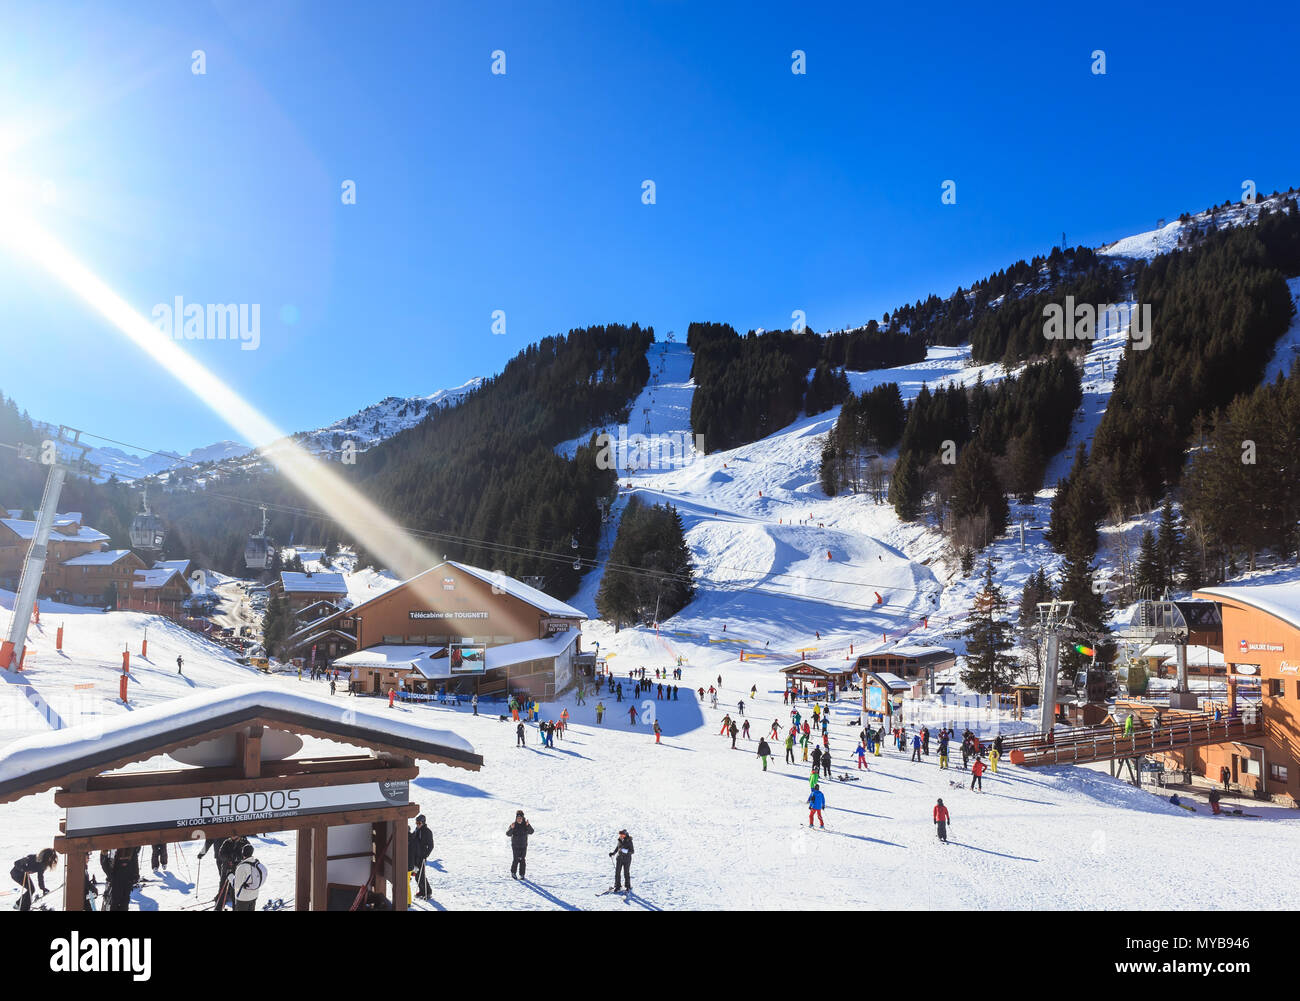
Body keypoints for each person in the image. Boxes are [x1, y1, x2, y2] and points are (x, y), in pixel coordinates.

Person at [228, 842, 267, 912]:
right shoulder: (255, 863)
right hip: (254, 895)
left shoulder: (242, 867)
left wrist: (230, 875)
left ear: (242, 853)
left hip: (243, 898)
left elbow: (236, 885)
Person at [99, 846, 140, 912]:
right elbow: (106, 865)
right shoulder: (114, 849)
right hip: (115, 882)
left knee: (123, 903)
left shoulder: (131, 849)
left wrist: (135, 875)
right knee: (113, 904)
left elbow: (134, 860)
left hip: (125, 881)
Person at [409, 814, 434, 899]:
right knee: (416, 875)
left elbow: (431, 846)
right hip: (415, 856)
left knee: (421, 875)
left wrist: (425, 855)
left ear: (423, 823)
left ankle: (428, 892)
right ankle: (422, 891)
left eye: (419, 823)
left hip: (421, 856)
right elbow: (412, 838)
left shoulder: (427, 832)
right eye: (416, 823)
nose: (417, 825)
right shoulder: (417, 830)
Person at [507, 811, 533, 880]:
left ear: (522, 818)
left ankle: (522, 874)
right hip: (515, 846)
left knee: (522, 860)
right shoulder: (513, 825)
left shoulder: (525, 825)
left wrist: (528, 825)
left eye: (520, 818)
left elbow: (531, 832)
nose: (519, 819)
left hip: (523, 846)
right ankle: (513, 872)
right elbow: (508, 834)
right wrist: (511, 828)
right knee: (516, 859)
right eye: (518, 818)